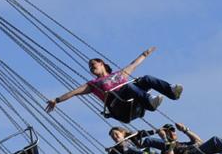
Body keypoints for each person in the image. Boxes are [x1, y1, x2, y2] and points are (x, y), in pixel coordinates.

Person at [45, 47, 183, 113]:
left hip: (131, 96)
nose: (91, 67)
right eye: (90, 67)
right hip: (118, 104)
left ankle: (172, 92)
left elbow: (134, 64)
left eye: (93, 64)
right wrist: (57, 100)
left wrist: (144, 54)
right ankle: (149, 102)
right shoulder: (93, 84)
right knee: (127, 86)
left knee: (146, 78)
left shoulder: (119, 74)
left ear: (101, 63)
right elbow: (74, 92)